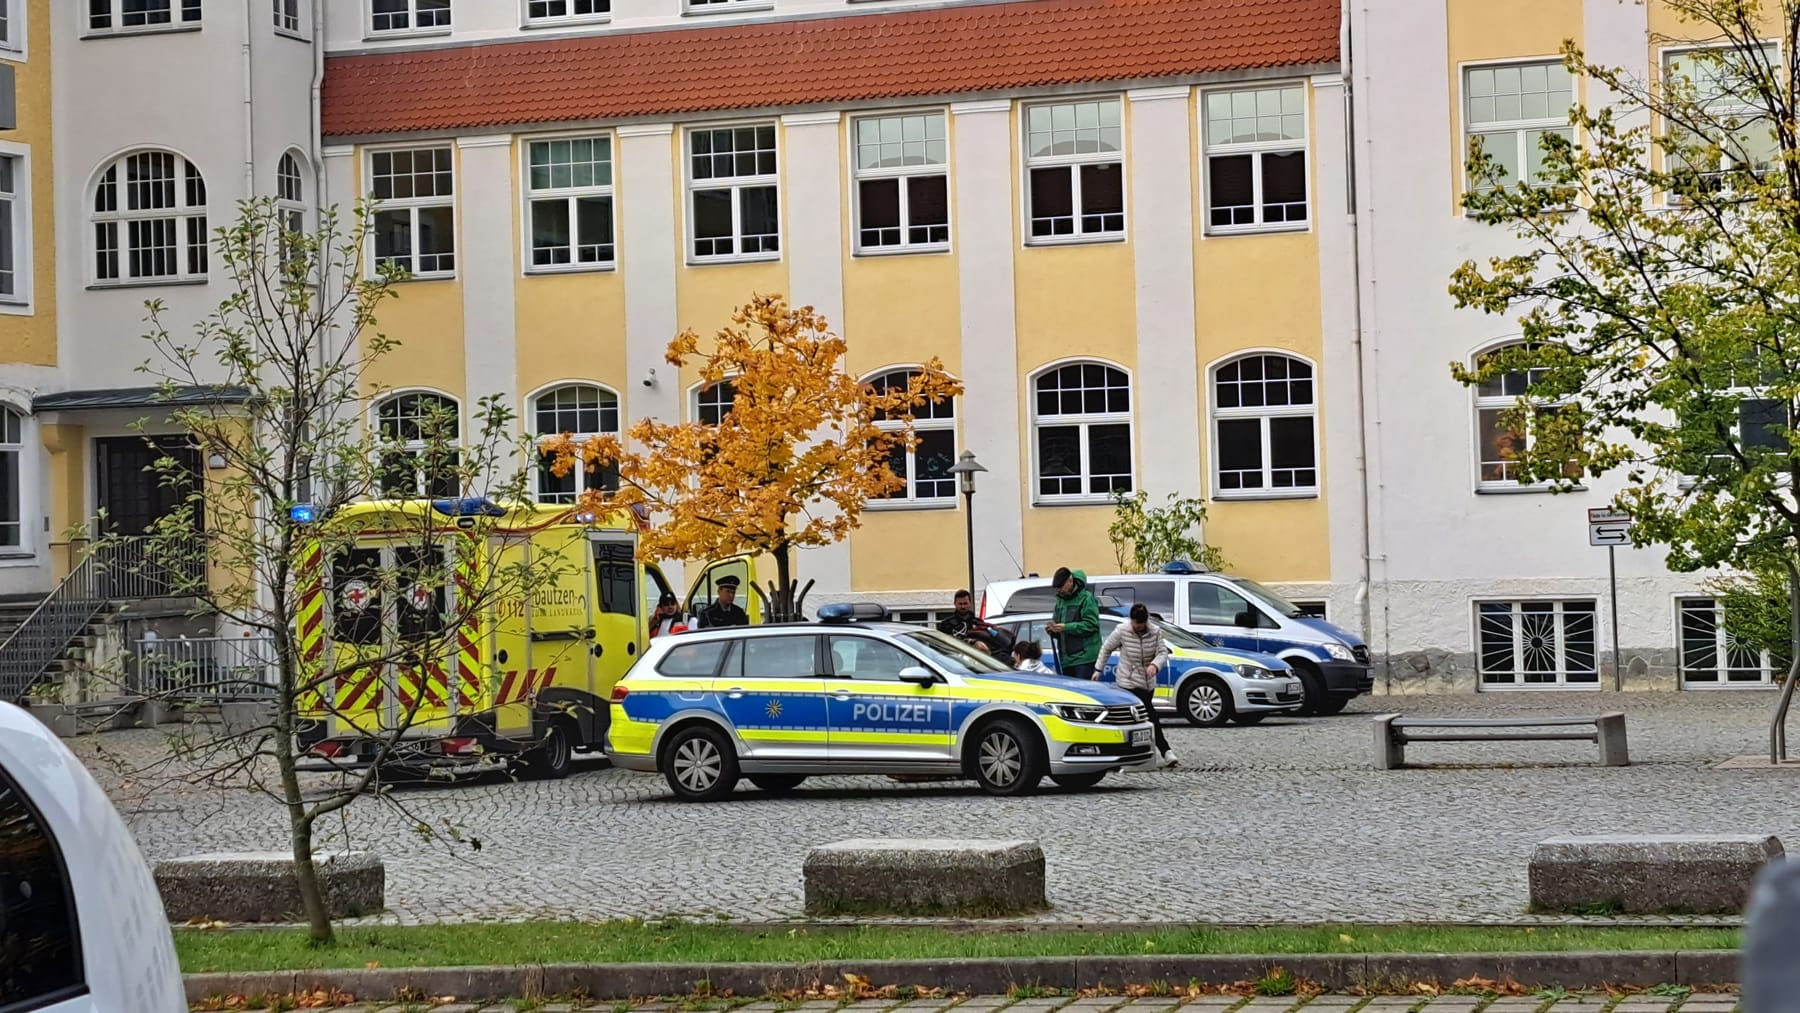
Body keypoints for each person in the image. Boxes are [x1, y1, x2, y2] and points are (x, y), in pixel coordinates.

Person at [1097, 602, 1178, 767]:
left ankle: (1150, 752)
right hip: (1127, 682)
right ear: (1131, 620)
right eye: (1136, 624)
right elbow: (1106, 648)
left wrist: (1155, 665)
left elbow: (1162, 652)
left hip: (1147, 683)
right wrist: (1098, 669)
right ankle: (1164, 751)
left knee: (1146, 717)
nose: (1138, 627)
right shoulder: (1122, 631)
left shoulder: (1155, 632)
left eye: (1141, 624)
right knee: (1145, 716)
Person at [1045, 566, 1101, 679]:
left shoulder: (1086, 598)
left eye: (1061, 586)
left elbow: (1092, 625)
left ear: (1070, 581)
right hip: (1066, 660)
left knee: (1083, 694)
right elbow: (1059, 625)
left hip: (1084, 659)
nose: (1059, 590)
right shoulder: (1060, 600)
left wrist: (1066, 627)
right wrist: (1053, 630)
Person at [938, 589, 1011, 655]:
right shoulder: (946, 624)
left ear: (970, 603)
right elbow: (939, 644)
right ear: (955, 604)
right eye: (960, 604)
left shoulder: (978, 623)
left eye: (965, 603)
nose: (963, 606)